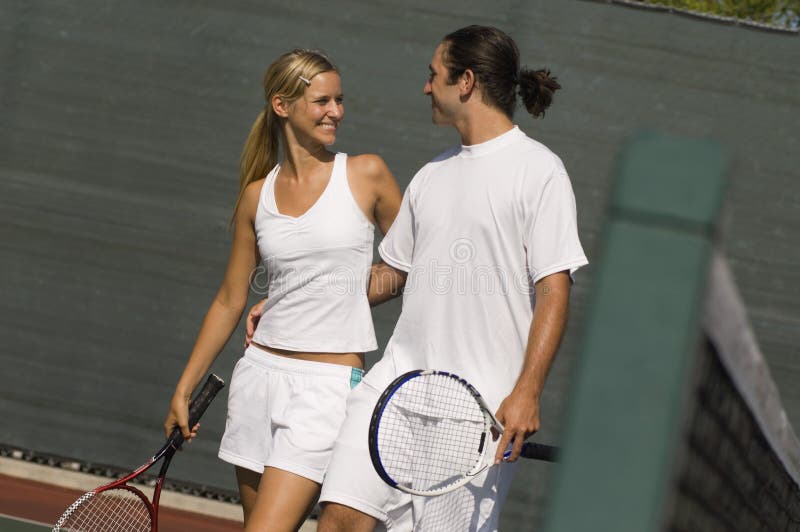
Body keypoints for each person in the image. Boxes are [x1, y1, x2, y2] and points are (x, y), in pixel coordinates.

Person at [314, 26, 589, 531]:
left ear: (465, 82)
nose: (425, 87)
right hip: (393, 391)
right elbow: (392, 273)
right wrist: (303, 301)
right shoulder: (430, 175)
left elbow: (555, 289)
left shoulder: (541, 172)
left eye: (432, 74)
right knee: (338, 519)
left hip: (477, 417)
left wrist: (527, 391)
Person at [163, 49, 402, 531]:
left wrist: (331, 291)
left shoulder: (367, 173)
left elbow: (409, 264)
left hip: (327, 390)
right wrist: (185, 387)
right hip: (258, 380)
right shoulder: (257, 195)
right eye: (322, 101)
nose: (336, 111)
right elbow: (230, 299)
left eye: (339, 100)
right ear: (282, 105)